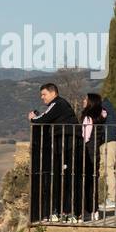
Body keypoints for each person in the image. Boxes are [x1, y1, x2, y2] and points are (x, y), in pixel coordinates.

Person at [29, 83, 77, 222]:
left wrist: (32, 118)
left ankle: (64, 211)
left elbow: (44, 118)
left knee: (64, 178)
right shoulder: (58, 104)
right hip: (63, 145)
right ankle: (61, 210)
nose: (42, 97)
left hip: (66, 146)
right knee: (61, 178)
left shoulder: (58, 104)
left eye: (44, 94)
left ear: (52, 92)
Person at [77, 93, 104, 220]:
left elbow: (85, 137)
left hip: (88, 152)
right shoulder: (100, 117)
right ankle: (95, 210)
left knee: (87, 181)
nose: (83, 101)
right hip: (96, 152)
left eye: (85, 99)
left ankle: (89, 210)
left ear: (90, 102)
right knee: (93, 180)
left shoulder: (88, 118)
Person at [99, 94, 116, 209]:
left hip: (109, 140)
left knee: (108, 168)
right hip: (115, 139)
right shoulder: (109, 106)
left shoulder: (103, 107)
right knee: (112, 169)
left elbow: (100, 119)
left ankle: (112, 199)